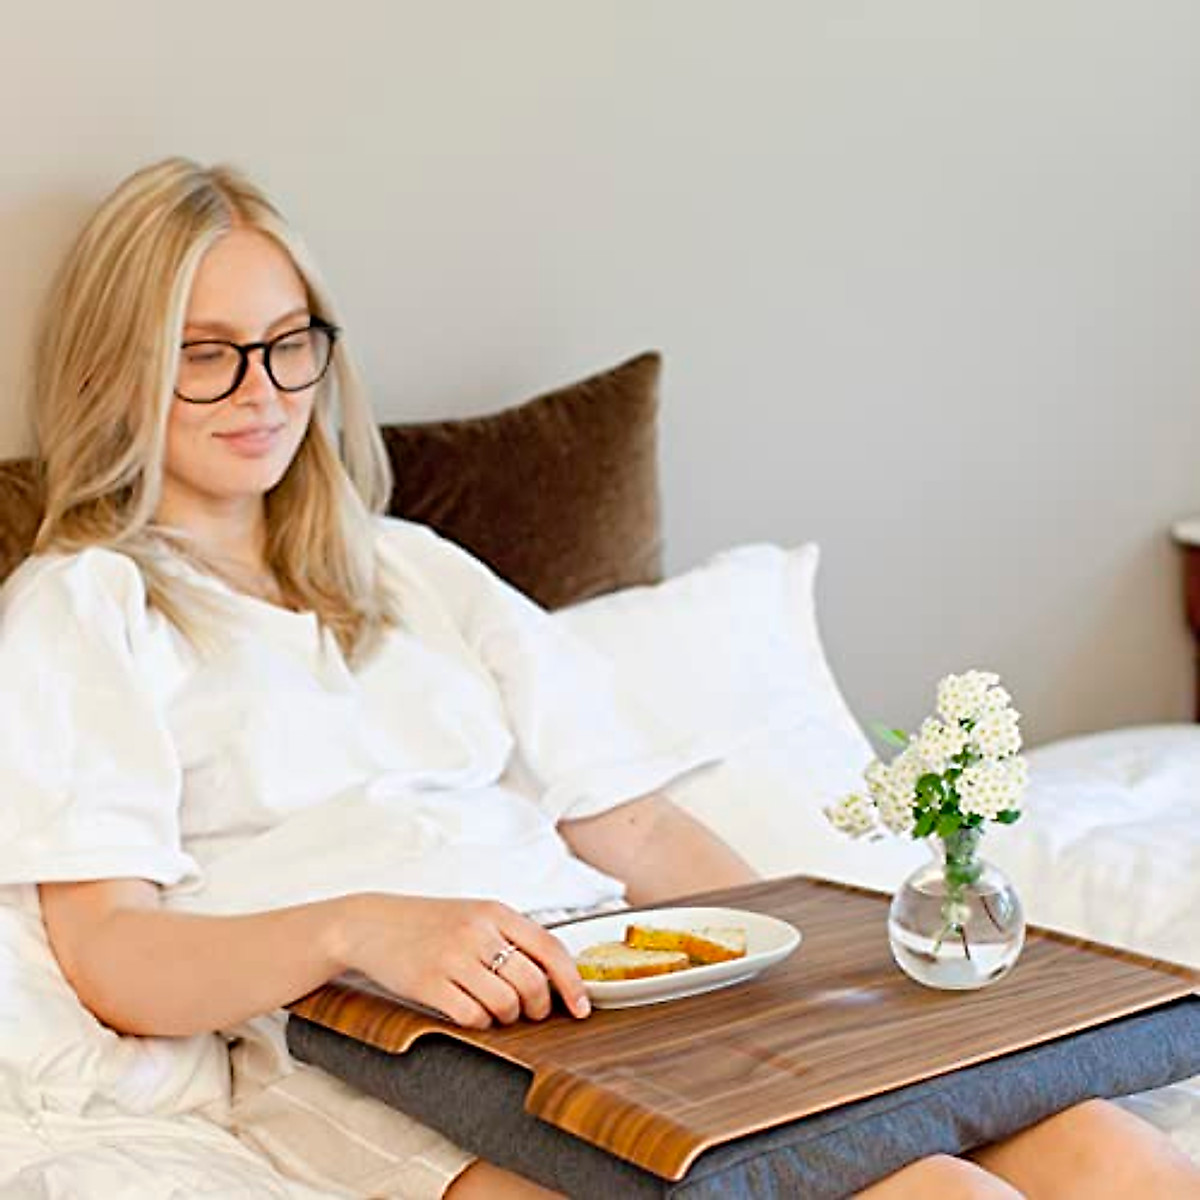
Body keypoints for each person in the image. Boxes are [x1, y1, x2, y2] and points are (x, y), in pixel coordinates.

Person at [0, 156, 1194, 1200]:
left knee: (1104, 1150)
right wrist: (358, 931)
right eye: (207, 355)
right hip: (381, 1046)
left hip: (614, 982)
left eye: (287, 342)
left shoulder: (413, 570)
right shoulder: (86, 603)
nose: (263, 391)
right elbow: (108, 952)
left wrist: (815, 996)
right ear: (122, 367)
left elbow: (634, 823)